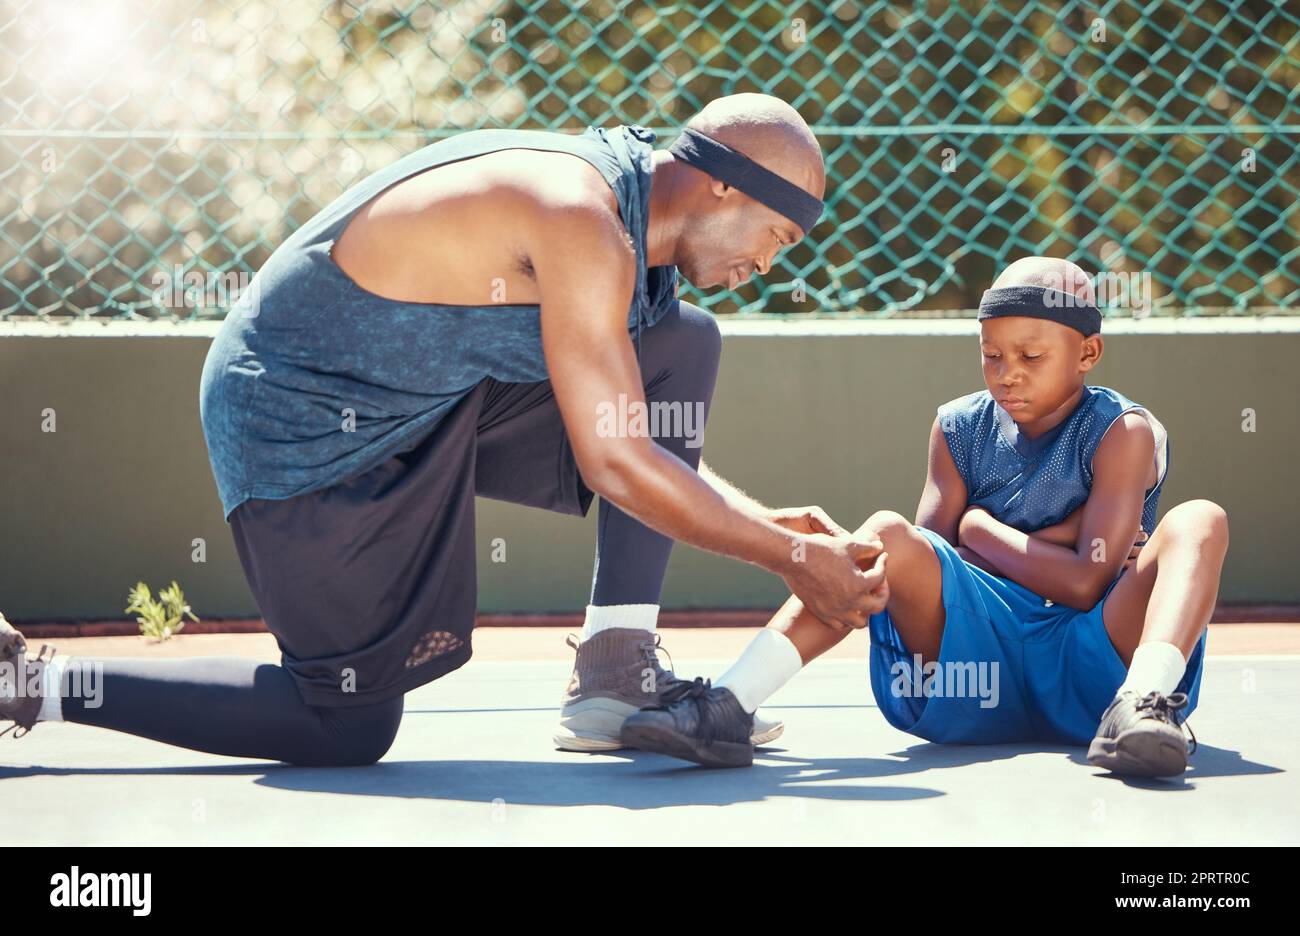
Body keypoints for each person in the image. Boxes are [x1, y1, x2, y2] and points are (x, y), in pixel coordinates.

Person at [2, 94, 889, 765]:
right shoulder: (581, 218)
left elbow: (627, 425)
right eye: (772, 233)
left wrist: (771, 529)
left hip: (420, 401)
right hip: (299, 426)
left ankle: (616, 674)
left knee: (676, 341)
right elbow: (619, 459)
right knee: (344, 720)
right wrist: (785, 557)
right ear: (722, 182)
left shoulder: (622, 221)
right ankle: (28, 680)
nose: (769, 263)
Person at [622, 257, 1228, 778]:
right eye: (991, 355)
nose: (1006, 372)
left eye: (1031, 356)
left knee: (1200, 519)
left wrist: (978, 528)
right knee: (885, 535)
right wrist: (1043, 541)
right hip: (972, 665)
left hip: (1092, 666)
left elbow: (1084, 584)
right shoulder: (958, 426)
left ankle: (1144, 703)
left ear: (1088, 353)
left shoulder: (1121, 431)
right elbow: (924, 564)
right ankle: (730, 704)